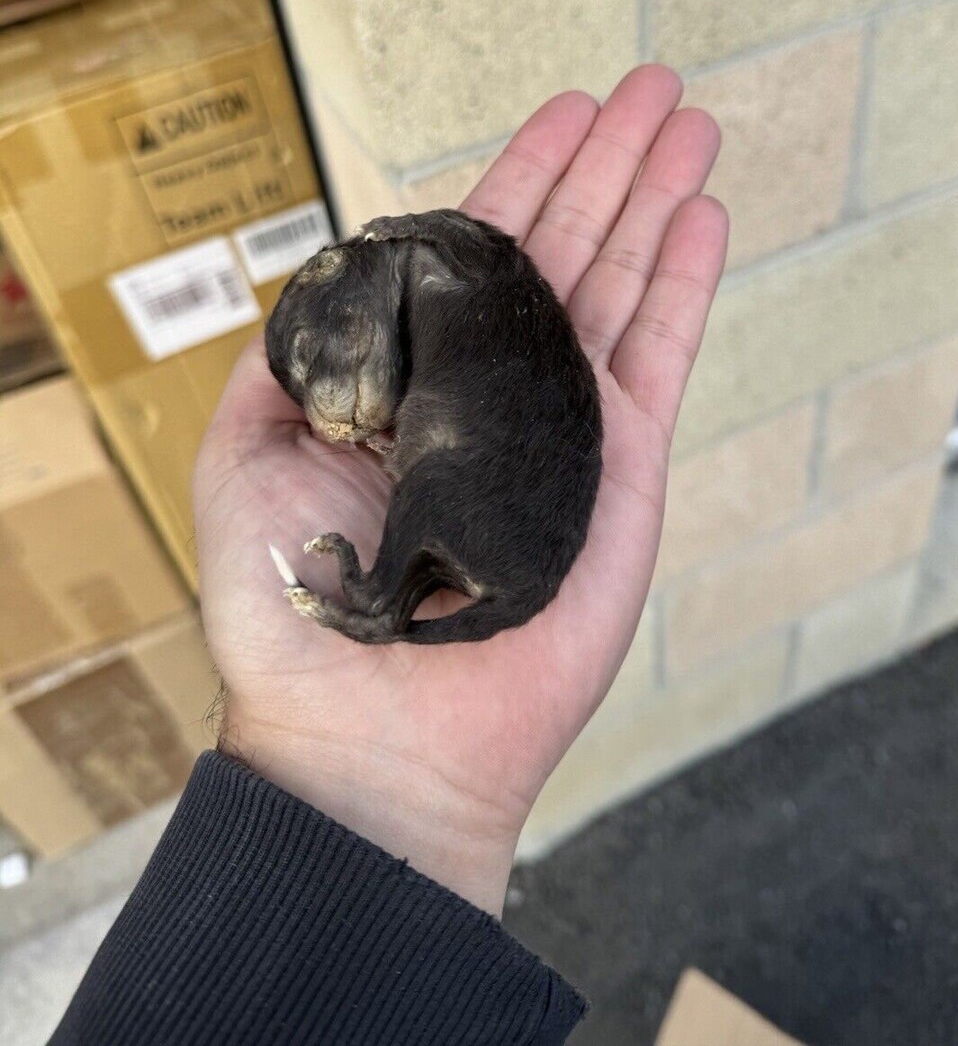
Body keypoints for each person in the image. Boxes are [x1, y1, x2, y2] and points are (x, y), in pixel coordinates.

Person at [48, 67, 728, 1045]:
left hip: (502, 486)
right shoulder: (412, 298)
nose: (338, 428)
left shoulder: (403, 297)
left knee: (445, 498)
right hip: (497, 490)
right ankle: (388, 594)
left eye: (339, 391)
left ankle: (381, 598)